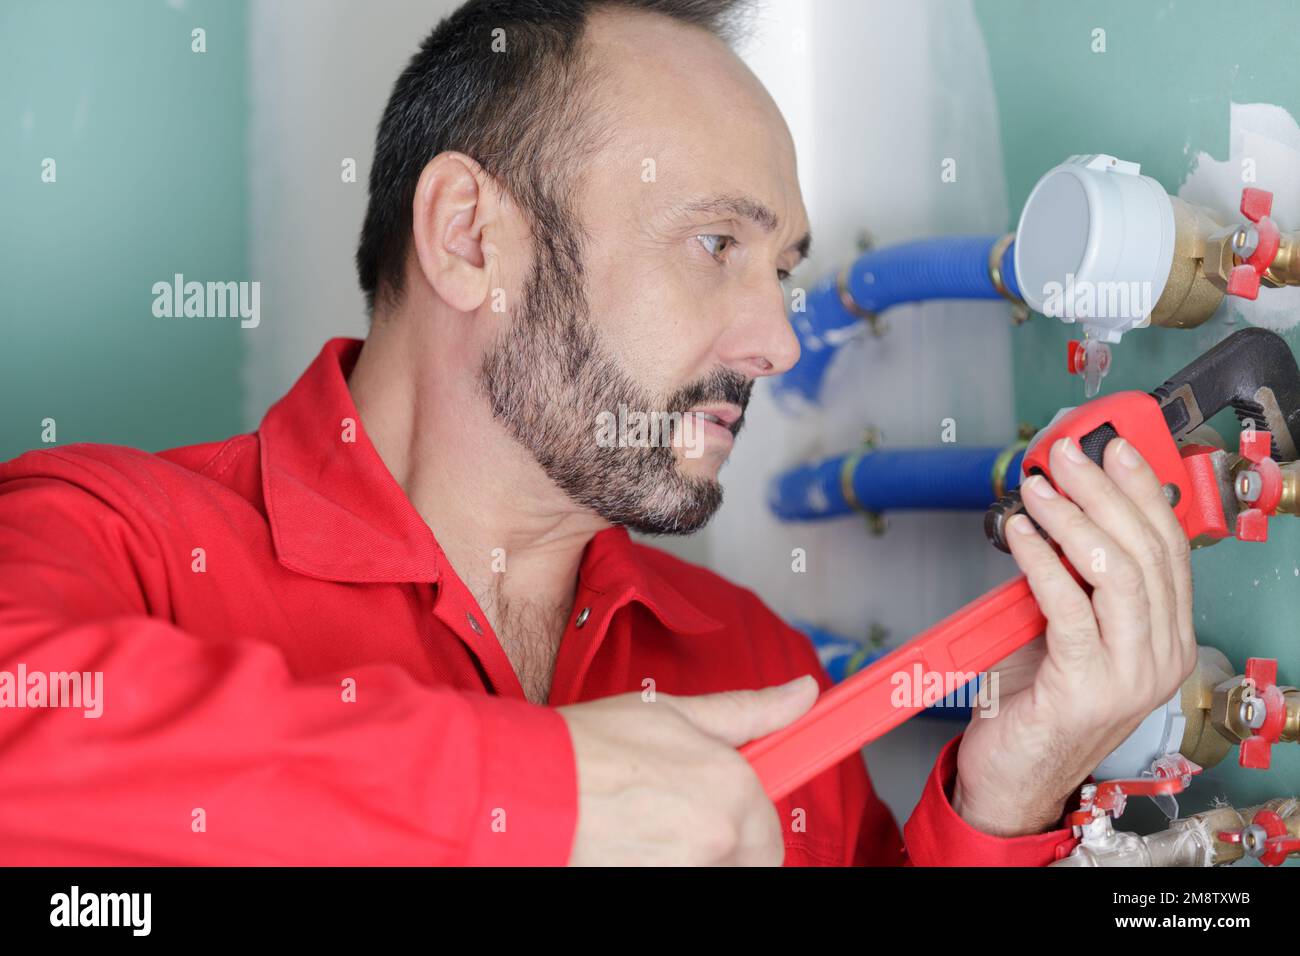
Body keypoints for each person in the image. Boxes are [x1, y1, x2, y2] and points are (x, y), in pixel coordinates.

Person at [0, 0, 1195, 866]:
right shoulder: (119, 541)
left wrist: (1003, 798)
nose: (776, 341)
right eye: (715, 244)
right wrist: (535, 794)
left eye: (781, 269)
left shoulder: (746, 662)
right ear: (471, 238)